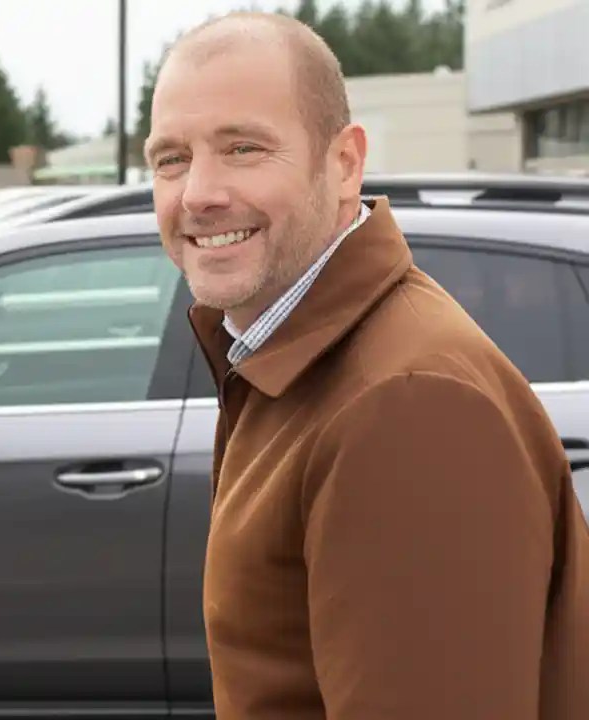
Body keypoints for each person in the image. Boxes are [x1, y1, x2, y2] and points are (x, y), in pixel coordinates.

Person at [144, 11, 589, 720]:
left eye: (244, 148)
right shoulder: (291, 357)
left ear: (344, 163)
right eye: (171, 158)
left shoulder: (409, 405)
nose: (197, 192)